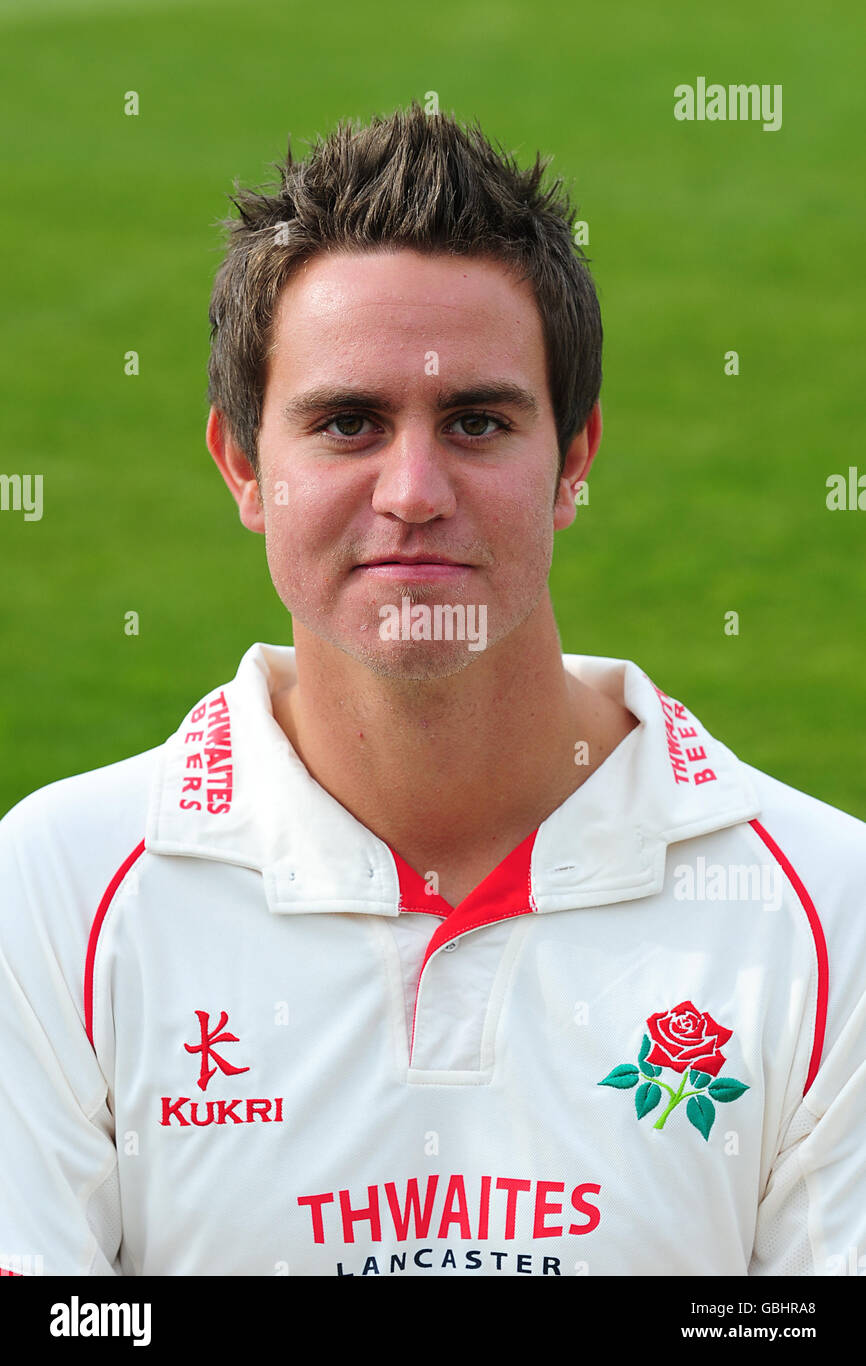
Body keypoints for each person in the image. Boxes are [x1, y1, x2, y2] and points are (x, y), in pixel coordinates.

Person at [1, 102, 864, 1279]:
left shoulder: (825, 916)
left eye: (474, 421)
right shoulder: (52, 894)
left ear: (572, 462)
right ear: (244, 467)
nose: (412, 490)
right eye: (348, 422)